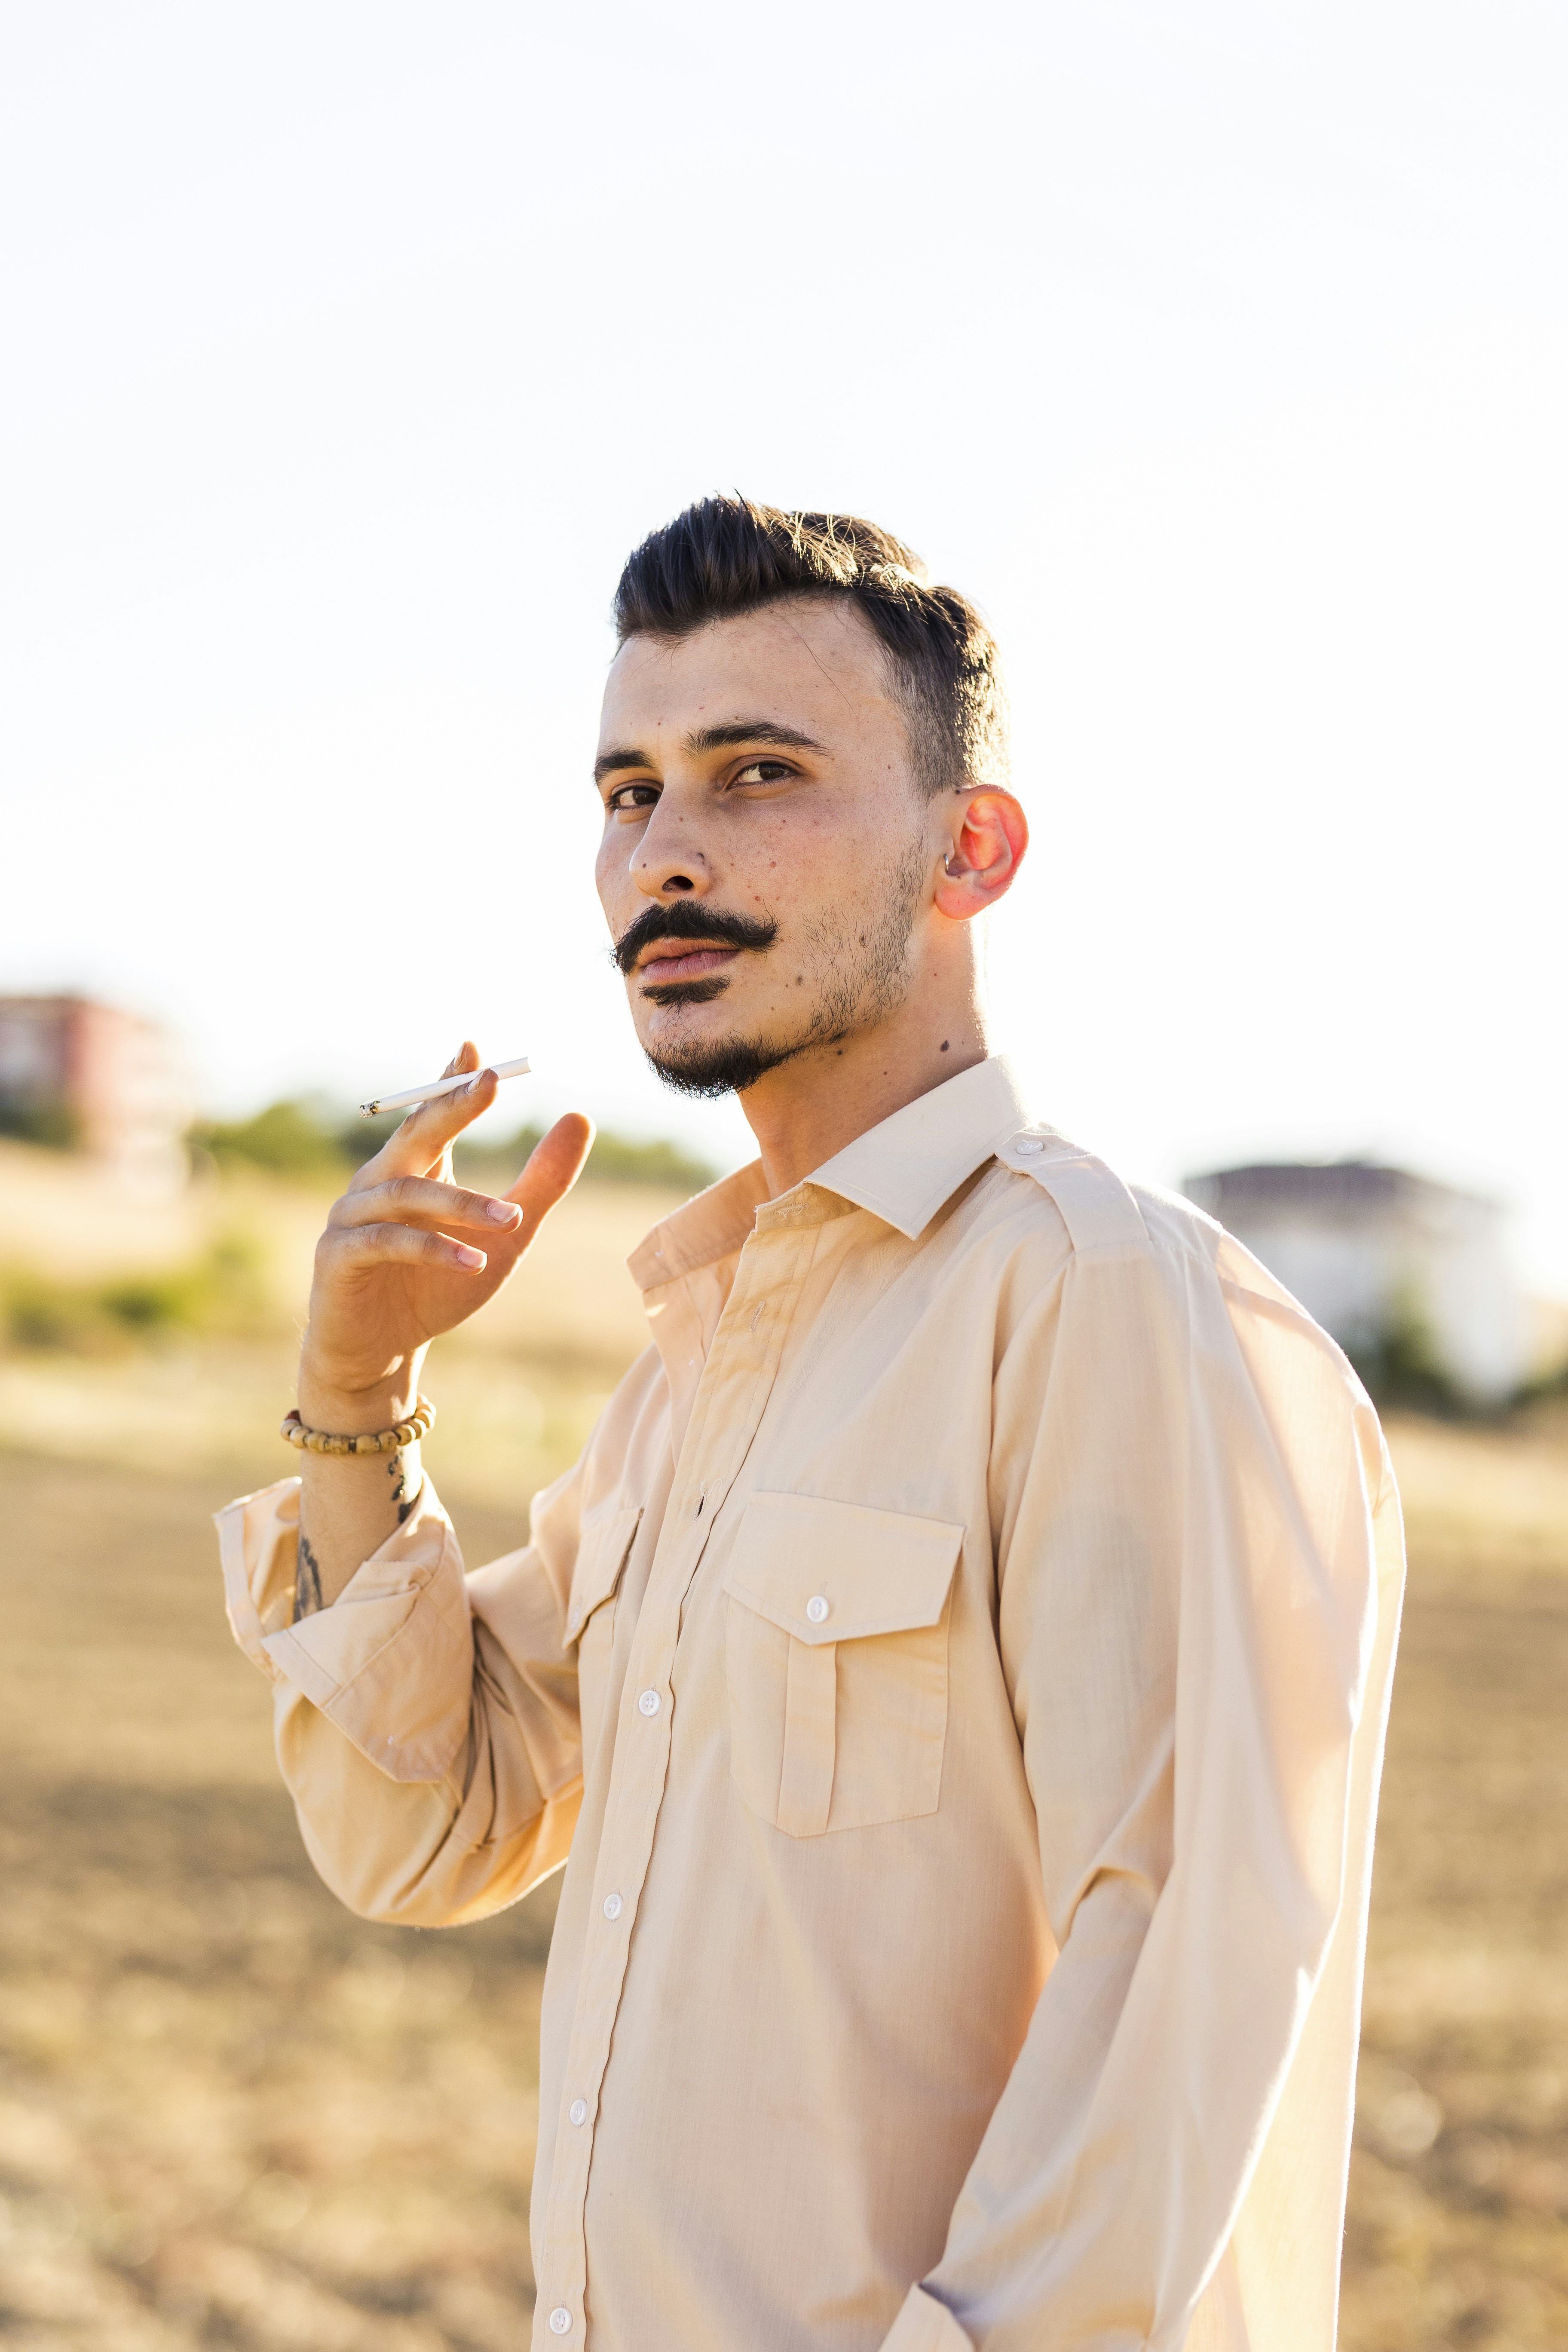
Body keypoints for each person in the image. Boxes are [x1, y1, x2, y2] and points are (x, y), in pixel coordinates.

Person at [217, 497, 1404, 2352]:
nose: (666, 858)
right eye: (628, 795)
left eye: (757, 774)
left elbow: (1180, 1981)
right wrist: (358, 1393)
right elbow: (427, 1833)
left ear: (972, 848)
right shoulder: (698, 1368)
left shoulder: (1108, 1299)